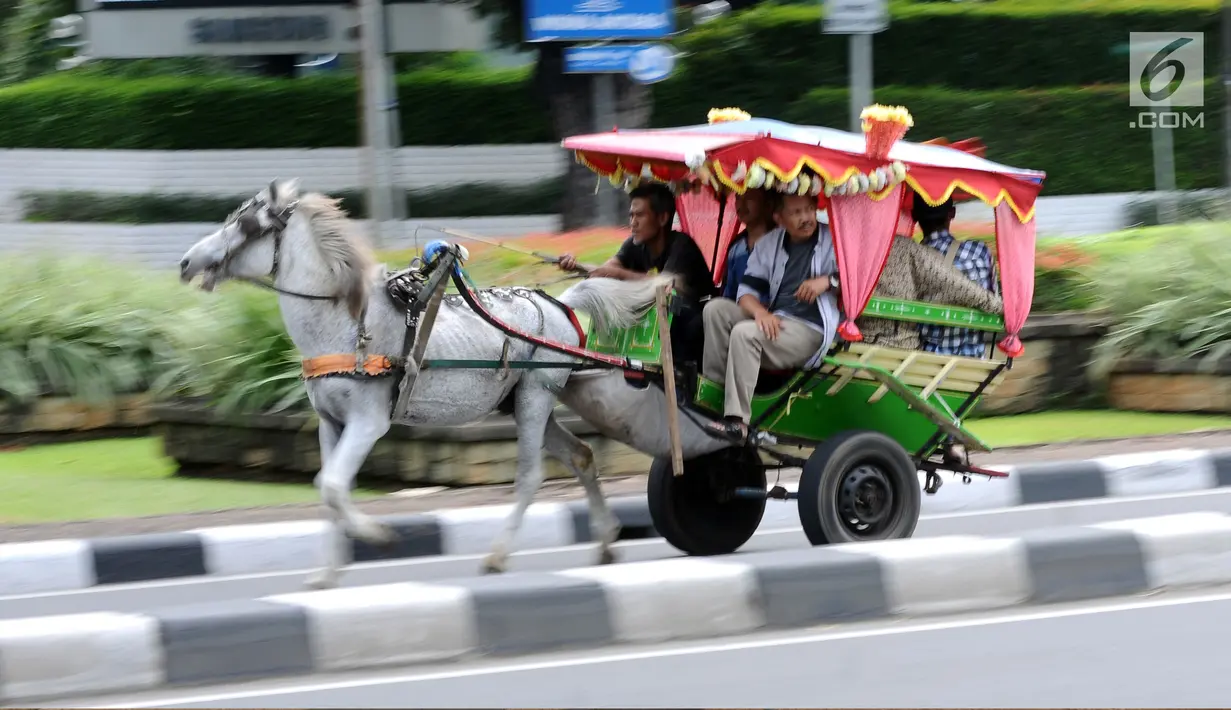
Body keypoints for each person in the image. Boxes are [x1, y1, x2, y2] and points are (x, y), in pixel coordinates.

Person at [701, 193, 840, 442]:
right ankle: (712, 400)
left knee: (745, 335)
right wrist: (760, 313)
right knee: (715, 309)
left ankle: (737, 421)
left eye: (809, 210)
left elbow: (858, 276)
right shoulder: (770, 244)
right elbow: (745, 293)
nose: (806, 218)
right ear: (779, 217)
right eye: (797, 213)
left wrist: (827, 281)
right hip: (778, 320)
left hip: (811, 329)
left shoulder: (833, 240)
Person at [558, 183, 715, 363]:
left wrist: (618, 274)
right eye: (631, 215)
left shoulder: (682, 245)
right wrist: (575, 264)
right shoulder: (634, 244)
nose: (633, 222)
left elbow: (664, 283)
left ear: (662, 218)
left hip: (697, 330)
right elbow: (605, 270)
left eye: (640, 215)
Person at [854, 233, 1004, 350]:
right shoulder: (904, 247)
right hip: (899, 346)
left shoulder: (854, 244)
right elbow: (954, 284)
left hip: (857, 342)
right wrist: (1000, 307)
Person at [911, 193, 998, 357]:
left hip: (926, 361)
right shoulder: (979, 251)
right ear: (952, 213)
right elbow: (993, 302)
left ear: (914, 216)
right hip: (973, 361)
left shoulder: (912, 258)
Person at [721, 188, 779, 300]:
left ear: (767, 204)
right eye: (738, 197)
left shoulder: (781, 243)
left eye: (750, 198)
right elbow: (729, 294)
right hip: (741, 311)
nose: (741, 204)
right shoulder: (736, 249)